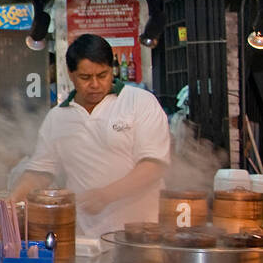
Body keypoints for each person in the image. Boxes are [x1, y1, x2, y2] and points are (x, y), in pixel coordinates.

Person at [9, 33, 172, 238]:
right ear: (70, 73)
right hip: (84, 234)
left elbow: (153, 166)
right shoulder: (57, 118)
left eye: (102, 75)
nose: (95, 84)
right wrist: (12, 202)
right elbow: (40, 172)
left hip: (139, 233)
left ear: (111, 70)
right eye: (85, 77)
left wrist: (106, 195)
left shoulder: (139, 102)